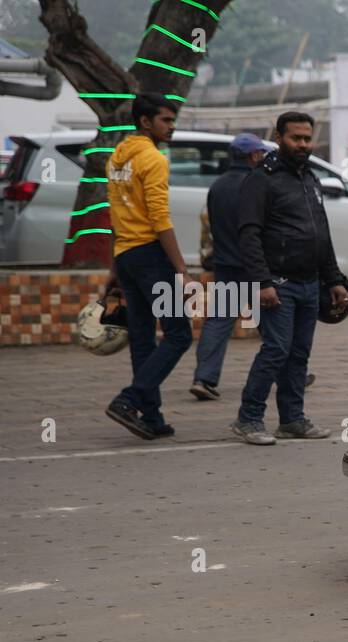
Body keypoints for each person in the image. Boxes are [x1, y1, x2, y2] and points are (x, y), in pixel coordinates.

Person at [231, 111, 348, 445]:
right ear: (279, 137)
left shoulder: (309, 178)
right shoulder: (262, 178)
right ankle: (248, 418)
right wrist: (262, 282)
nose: (303, 144)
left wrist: (334, 280)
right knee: (276, 350)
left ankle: (292, 419)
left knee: (299, 354)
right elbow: (249, 234)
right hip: (277, 284)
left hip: (310, 283)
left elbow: (320, 234)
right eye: (296, 138)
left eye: (307, 138)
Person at [103, 92, 191, 440]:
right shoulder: (153, 159)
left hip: (127, 257)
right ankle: (130, 399)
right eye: (166, 120)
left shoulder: (116, 158)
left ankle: (151, 417)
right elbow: (160, 219)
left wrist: (114, 267)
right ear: (145, 121)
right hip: (151, 258)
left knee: (142, 338)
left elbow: (115, 216)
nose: (172, 126)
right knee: (179, 334)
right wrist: (182, 269)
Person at [190, 132, 266, 401]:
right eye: (262, 153)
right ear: (254, 155)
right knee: (275, 324)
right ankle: (294, 375)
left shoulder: (218, 186)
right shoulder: (257, 183)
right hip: (256, 267)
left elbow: (207, 226)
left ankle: (204, 378)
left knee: (219, 321)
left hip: (225, 265)